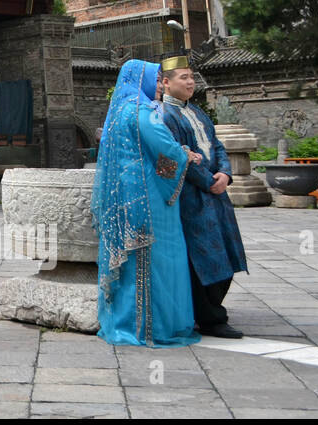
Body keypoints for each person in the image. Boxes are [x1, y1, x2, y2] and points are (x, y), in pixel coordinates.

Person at [92, 58, 202, 347]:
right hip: (147, 196)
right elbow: (165, 149)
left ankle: (124, 322)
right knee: (157, 259)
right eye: (154, 80)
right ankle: (152, 327)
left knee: (130, 261)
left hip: (122, 195)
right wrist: (185, 154)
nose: (156, 86)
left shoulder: (117, 113)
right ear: (140, 81)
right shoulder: (142, 112)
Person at [159, 51, 248, 339]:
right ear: (165, 82)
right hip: (191, 197)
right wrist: (209, 181)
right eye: (183, 77)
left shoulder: (197, 112)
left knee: (227, 252)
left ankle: (212, 311)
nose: (190, 82)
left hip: (217, 194)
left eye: (192, 77)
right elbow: (174, 156)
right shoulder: (164, 115)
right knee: (203, 257)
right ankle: (210, 317)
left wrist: (225, 173)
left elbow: (217, 145)